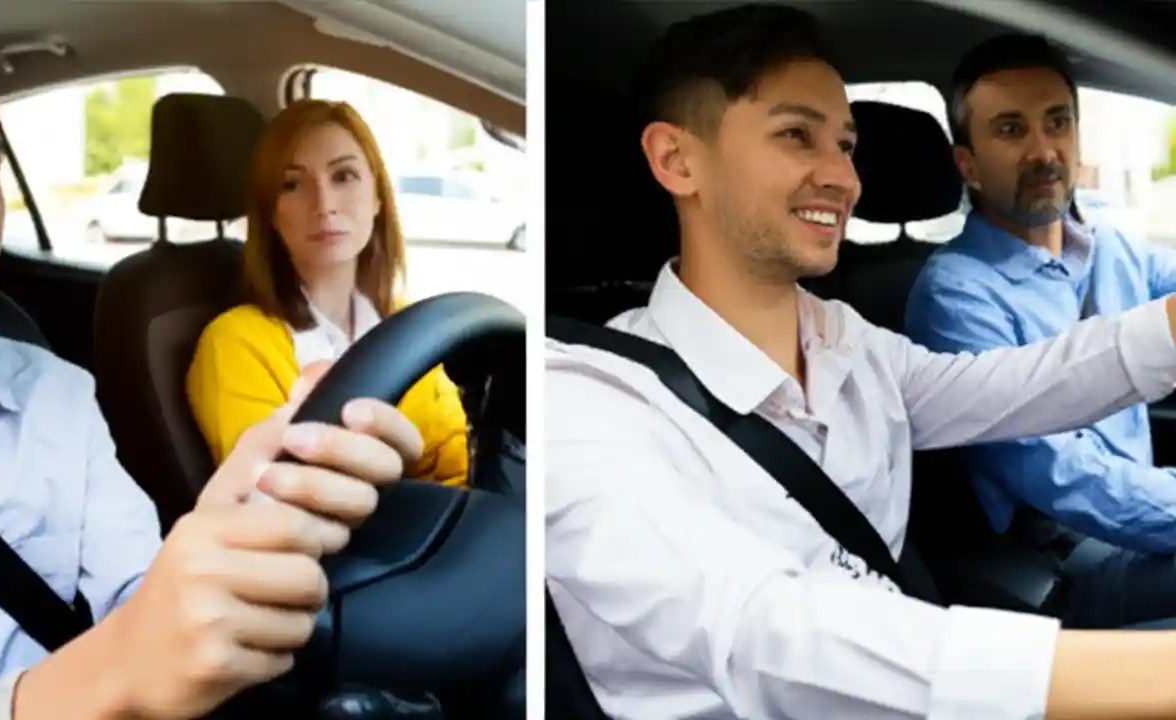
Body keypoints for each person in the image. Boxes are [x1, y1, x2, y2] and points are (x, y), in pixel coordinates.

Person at [546, 3, 1176, 719]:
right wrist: (1152, 678)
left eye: (844, 145)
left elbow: (1021, 385)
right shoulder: (586, 397)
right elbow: (765, 630)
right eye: (796, 136)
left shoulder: (850, 342)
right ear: (676, 159)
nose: (843, 177)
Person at [0, 4, 422, 718]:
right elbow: (130, 655)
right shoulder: (235, 337)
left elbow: (143, 600)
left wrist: (228, 557)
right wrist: (106, 673)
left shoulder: (56, 395)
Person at [903, 34, 1176, 628]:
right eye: (1010, 130)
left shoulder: (1110, 237)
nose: (1043, 150)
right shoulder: (956, 292)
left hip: (1145, 512)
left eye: (1057, 123)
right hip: (1066, 554)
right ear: (967, 165)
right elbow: (1060, 474)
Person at [187, 100, 470, 487]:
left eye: (344, 176)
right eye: (293, 184)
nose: (324, 205)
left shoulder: (406, 324)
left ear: (377, 197)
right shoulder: (235, 342)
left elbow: (460, 462)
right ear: (271, 213)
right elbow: (269, 496)